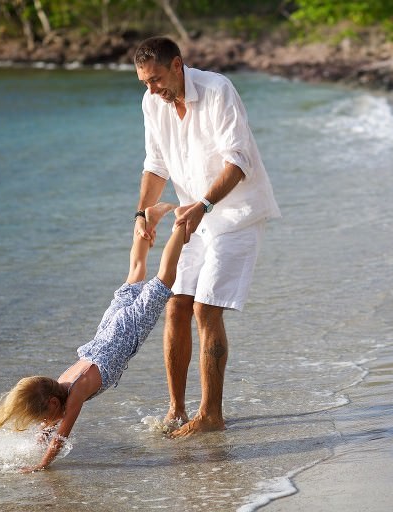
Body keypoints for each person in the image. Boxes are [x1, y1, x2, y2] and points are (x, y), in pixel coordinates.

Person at [132, 36, 280, 437]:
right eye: (145, 82)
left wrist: (204, 205)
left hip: (235, 213)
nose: (152, 89)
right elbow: (155, 165)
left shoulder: (217, 90)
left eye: (156, 79)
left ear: (177, 65)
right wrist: (142, 214)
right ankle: (176, 410)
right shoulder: (152, 103)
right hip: (192, 216)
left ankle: (211, 415)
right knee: (175, 305)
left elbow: (239, 161)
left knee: (205, 308)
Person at [0, 203, 184, 472]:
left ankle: (181, 223)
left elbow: (61, 436)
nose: (46, 422)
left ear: (53, 402)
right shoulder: (60, 384)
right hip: (109, 328)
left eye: (45, 417)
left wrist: (41, 465)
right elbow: (52, 424)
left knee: (164, 279)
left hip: (127, 329)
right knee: (135, 272)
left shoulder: (74, 392)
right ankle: (147, 219)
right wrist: (40, 436)